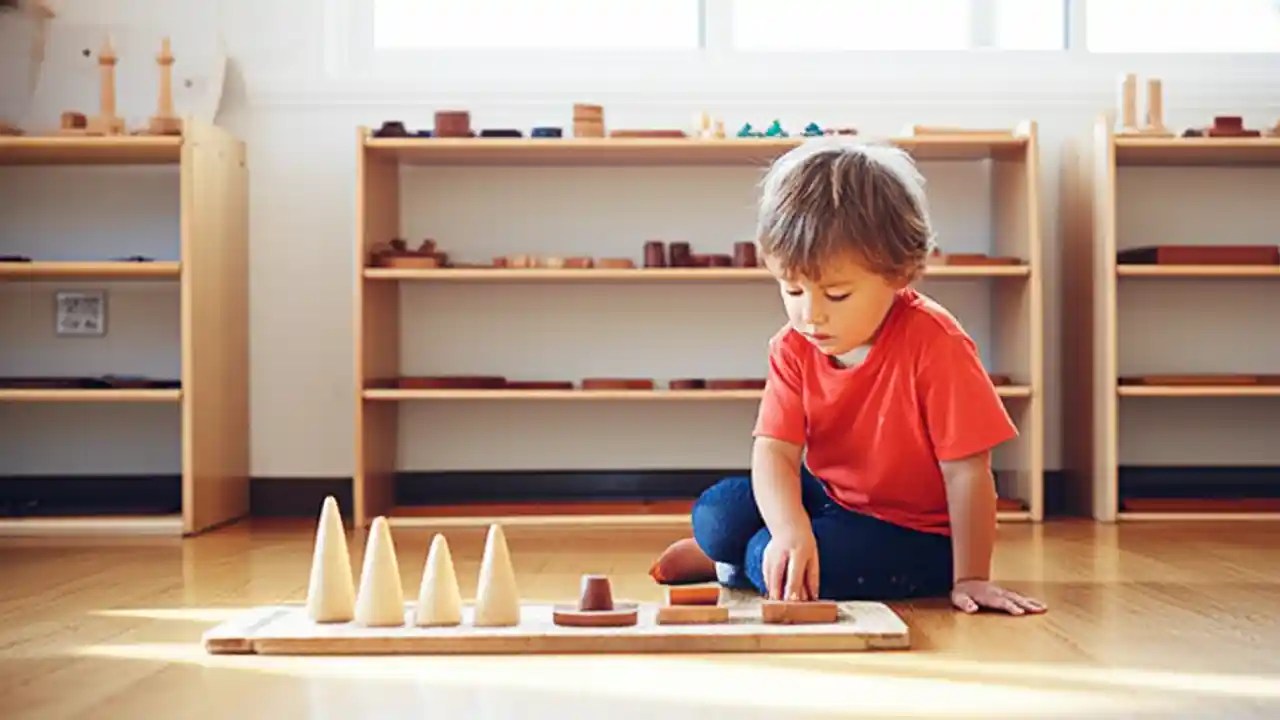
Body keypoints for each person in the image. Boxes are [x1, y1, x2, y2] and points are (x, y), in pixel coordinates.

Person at [650, 137, 1045, 616]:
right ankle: (740, 551)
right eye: (792, 289)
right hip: (830, 500)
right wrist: (792, 527)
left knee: (766, 555)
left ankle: (736, 563)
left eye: (836, 295)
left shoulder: (936, 344)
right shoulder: (793, 345)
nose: (810, 315)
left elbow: (967, 472)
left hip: (912, 533)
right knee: (716, 514)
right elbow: (774, 450)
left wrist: (971, 576)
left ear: (901, 274)